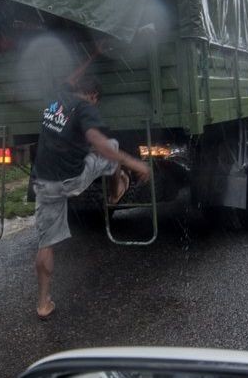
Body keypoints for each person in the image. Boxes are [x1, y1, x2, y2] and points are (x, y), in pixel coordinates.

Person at [31, 73, 151, 321]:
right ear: (94, 96)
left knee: (46, 243)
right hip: (71, 180)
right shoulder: (85, 108)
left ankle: (43, 304)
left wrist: (92, 55)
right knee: (112, 146)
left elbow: (73, 75)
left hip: (43, 182)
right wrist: (136, 164)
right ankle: (116, 190)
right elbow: (101, 144)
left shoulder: (56, 98)